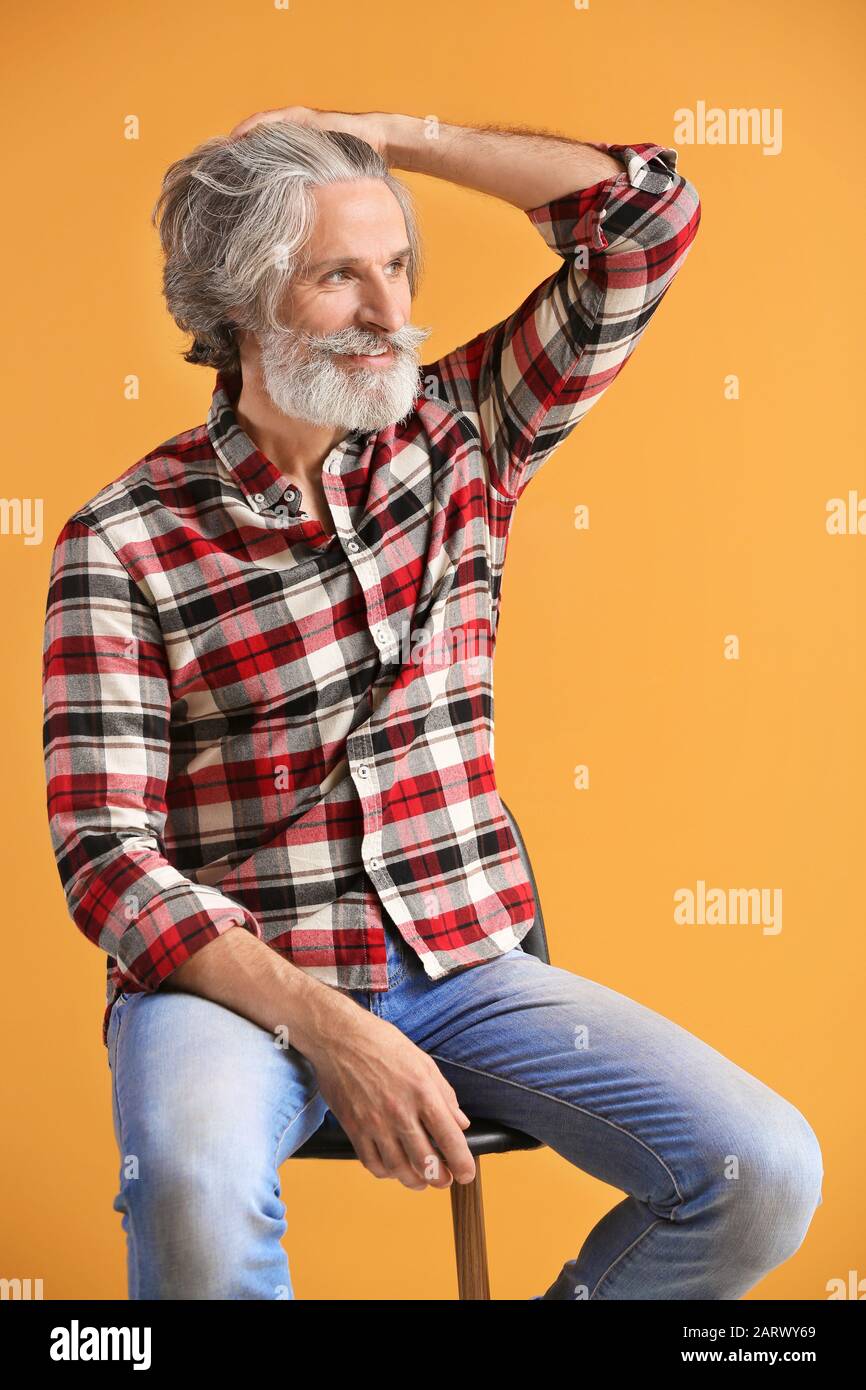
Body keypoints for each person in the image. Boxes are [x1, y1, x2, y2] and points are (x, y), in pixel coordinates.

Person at [41, 107, 823, 1300]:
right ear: (241, 306)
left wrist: (381, 137)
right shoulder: (125, 539)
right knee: (191, 1189)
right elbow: (106, 855)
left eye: (398, 264)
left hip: (463, 957)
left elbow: (647, 221)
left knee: (759, 1166)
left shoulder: (464, 432)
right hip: (240, 979)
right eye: (339, 276)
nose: (391, 312)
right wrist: (331, 1027)